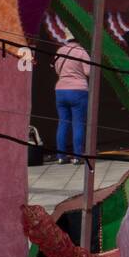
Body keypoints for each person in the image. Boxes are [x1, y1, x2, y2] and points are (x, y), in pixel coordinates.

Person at [52, 36, 91, 165]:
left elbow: (57, 70)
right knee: (78, 124)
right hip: (78, 90)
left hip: (60, 90)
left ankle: (61, 157)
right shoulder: (81, 52)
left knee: (62, 123)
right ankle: (77, 157)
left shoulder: (59, 51)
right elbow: (89, 71)